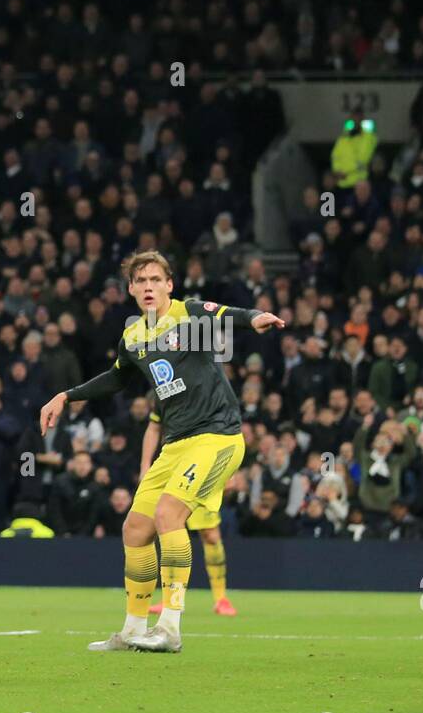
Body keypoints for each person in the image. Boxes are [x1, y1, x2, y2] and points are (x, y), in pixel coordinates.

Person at [39, 250, 283, 653]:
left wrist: (255, 317)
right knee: (135, 528)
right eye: (141, 281)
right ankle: (134, 628)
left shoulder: (188, 314)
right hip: (175, 445)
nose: (149, 287)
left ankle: (170, 628)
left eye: (156, 279)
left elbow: (226, 313)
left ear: (169, 284)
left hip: (217, 437)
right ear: (131, 290)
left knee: (169, 515)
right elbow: (115, 380)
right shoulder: (133, 337)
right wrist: (66, 396)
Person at [141, 409, 238, 616]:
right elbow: (153, 427)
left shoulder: (208, 391)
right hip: (172, 464)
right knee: (166, 530)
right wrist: (145, 466)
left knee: (211, 536)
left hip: (203, 467)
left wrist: (228, 468)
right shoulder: (167, 391)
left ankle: (221, 598)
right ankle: (170, 598)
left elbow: (228, 426)